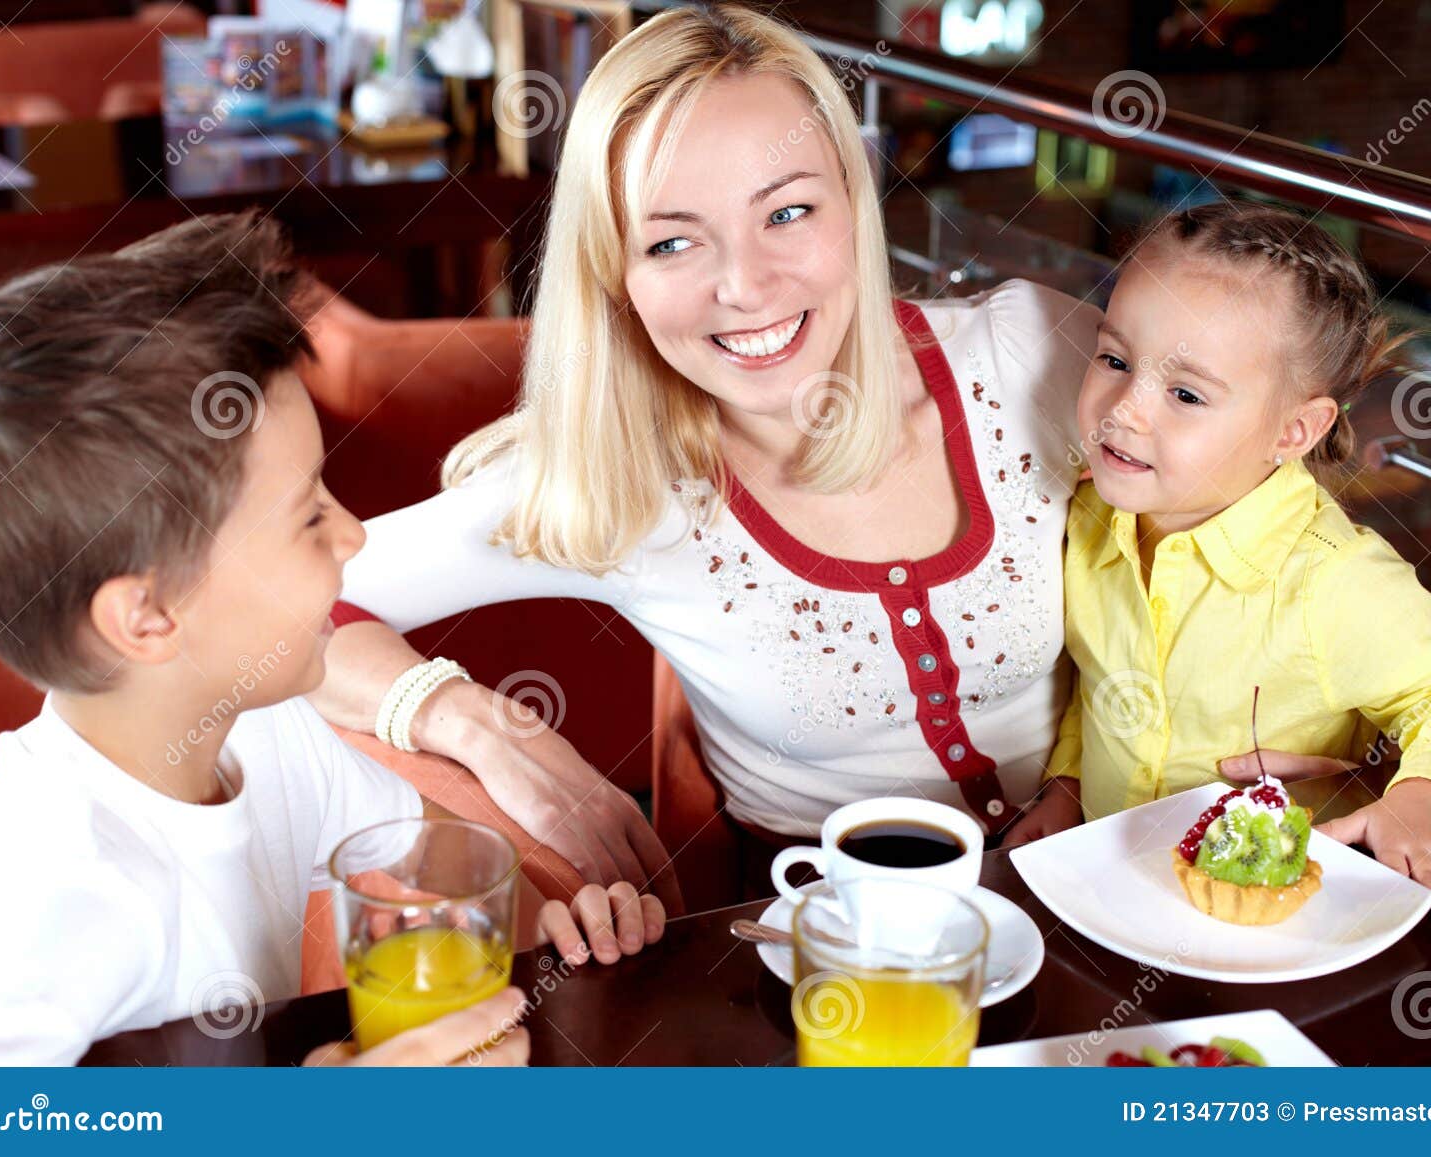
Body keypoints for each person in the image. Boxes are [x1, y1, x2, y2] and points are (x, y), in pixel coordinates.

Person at [310, 3, 1103, 895]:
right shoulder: (615, 473)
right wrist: (480, 726)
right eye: (673, 240)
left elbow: (1264, 500)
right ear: (616, 274)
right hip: (807, 960)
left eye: (789, 211)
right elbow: (269, 613)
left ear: (855, 198)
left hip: (1107, 908)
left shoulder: (1034, 350)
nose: (745, 286)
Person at [0, 212, 662, 1066]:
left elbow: (443, 868)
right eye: (307, 514)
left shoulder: (261, 724)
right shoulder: (60, 885)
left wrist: (550, 924)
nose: (353, 535)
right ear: (147, 617)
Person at [1007, 199, 1431, 922]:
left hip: (1277, 925)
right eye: (1114, 358)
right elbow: (1099, 684)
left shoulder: (1333, 581)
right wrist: (1070, 781)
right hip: (1110, 896)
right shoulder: (1093, 517)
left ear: (1295, 429)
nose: (1125, 408)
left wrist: (1424, 795)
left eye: (1186, 393)